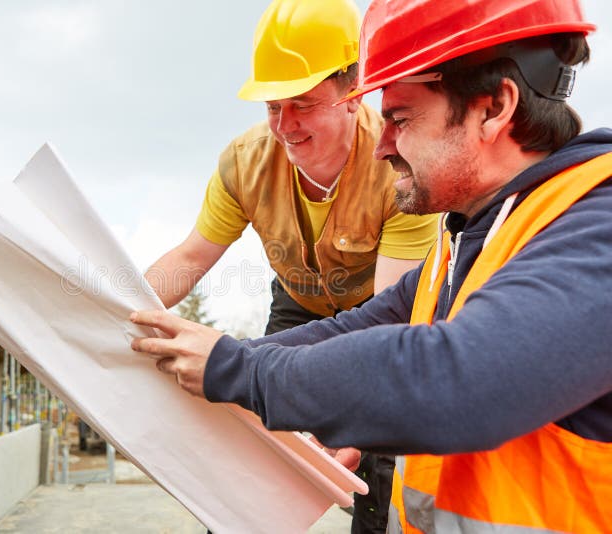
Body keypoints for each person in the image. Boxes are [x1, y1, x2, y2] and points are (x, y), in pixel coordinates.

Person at [130, 0, 612, 531]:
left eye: (400, 119)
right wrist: (211, 356)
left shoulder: (597, 228)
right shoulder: (464, 245)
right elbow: (362, 326)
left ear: (494, 107)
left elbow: (455, 379)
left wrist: (239, 371)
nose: (382, 147)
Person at [145, 1, 437, 530]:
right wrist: (125, 311)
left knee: (377, 454)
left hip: (377, 311)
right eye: (273, 107)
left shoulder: (400, 167)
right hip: (298, 305)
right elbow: (189, 257)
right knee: (255, 432)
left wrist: (353, 416)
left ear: (354, 92)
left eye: (303, 103)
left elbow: (390, 319)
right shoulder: (244, 163)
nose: (286, 126)